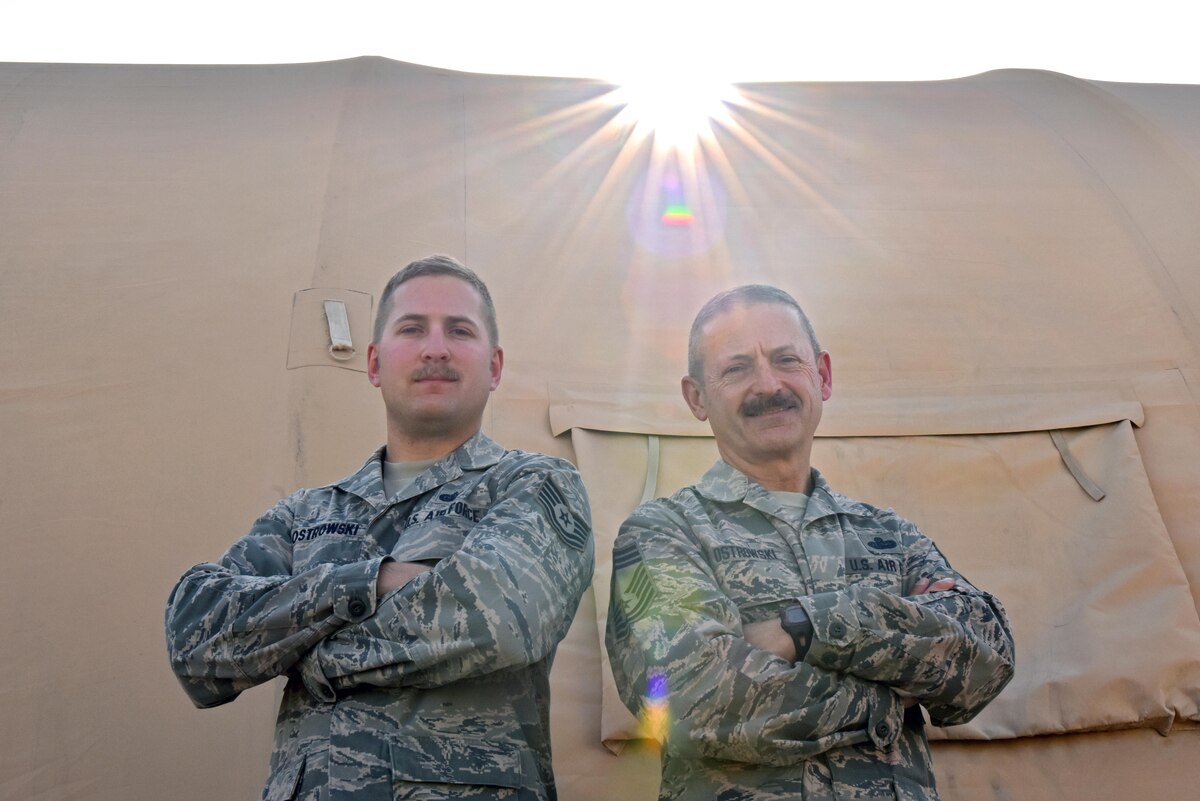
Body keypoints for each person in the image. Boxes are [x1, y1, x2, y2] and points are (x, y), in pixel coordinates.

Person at [166, 255, 594, 801]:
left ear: (494, 367)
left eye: (459, 330)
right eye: (412, 328)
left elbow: (499, 617)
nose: (435, 348)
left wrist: (303, 651)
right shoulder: (304, 515)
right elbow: (194, 636)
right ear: (373, 363)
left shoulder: (531, 485)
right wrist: (373, 581)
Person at [605, 285, 1014, 801]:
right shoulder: (663, 532)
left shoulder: (888, 535)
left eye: (786, 360)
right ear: (697, 398)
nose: (768, 385)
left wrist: (805, 628)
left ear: (822, 376)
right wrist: (887, 699)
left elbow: (987, 658)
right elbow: (688, 697)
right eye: (737, 369)